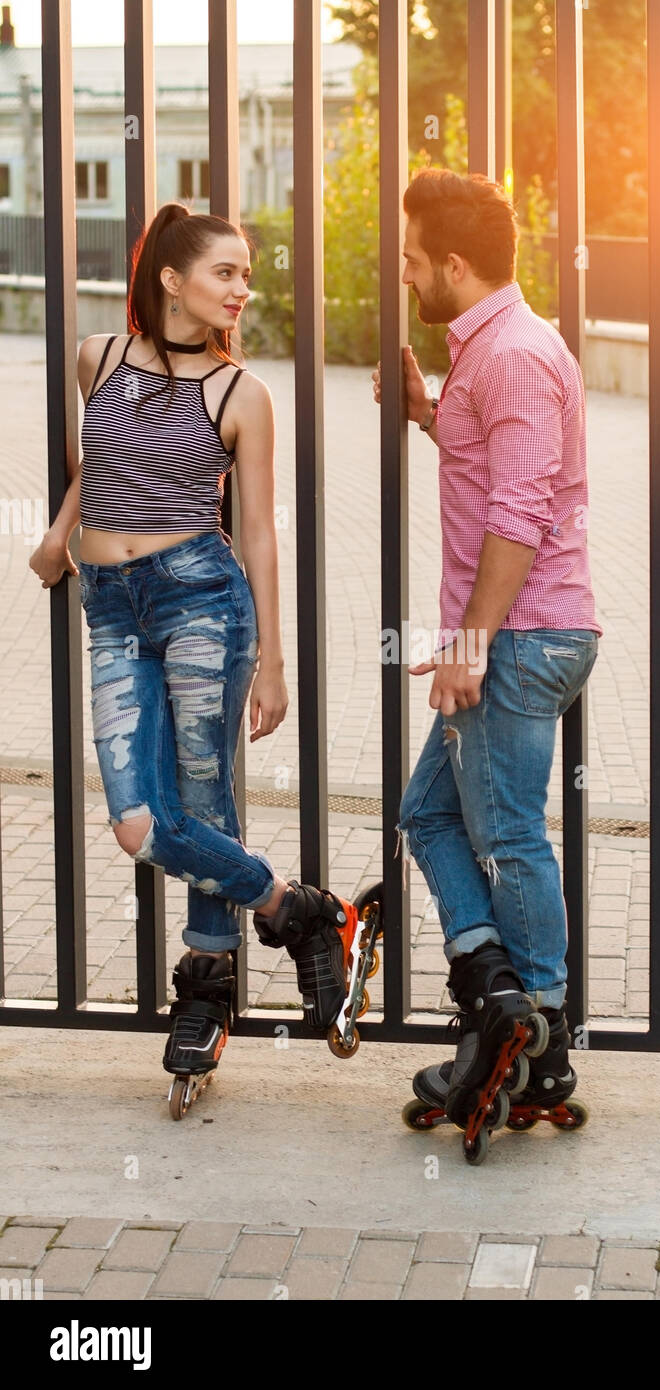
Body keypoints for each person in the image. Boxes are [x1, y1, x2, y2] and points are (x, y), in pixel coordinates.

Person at [29, 202, 352, 1085]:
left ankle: (205, 990)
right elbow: (99, 463)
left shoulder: (242, 394)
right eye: (226, 273)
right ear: (170, 280)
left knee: (203, 804)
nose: (242, 289)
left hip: (202, 601)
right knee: (138, 820)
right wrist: (62, 534)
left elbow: (258, 534)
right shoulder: (98, 357)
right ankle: (298, 910)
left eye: (247, 275)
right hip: (112, 605)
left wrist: (275, 661)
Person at [372, 168, 603, 1127]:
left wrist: (468, 645)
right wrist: (431, 413)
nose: (408, 275)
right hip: (518, 633)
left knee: (508, 838)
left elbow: (519, 516)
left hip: (519, 635)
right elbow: (497, 472)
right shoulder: (494, 349)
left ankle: (534, 1041)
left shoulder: (510, 355)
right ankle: (503, 1004)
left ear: (456, 264)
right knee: (428, 815)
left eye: (416, 260)